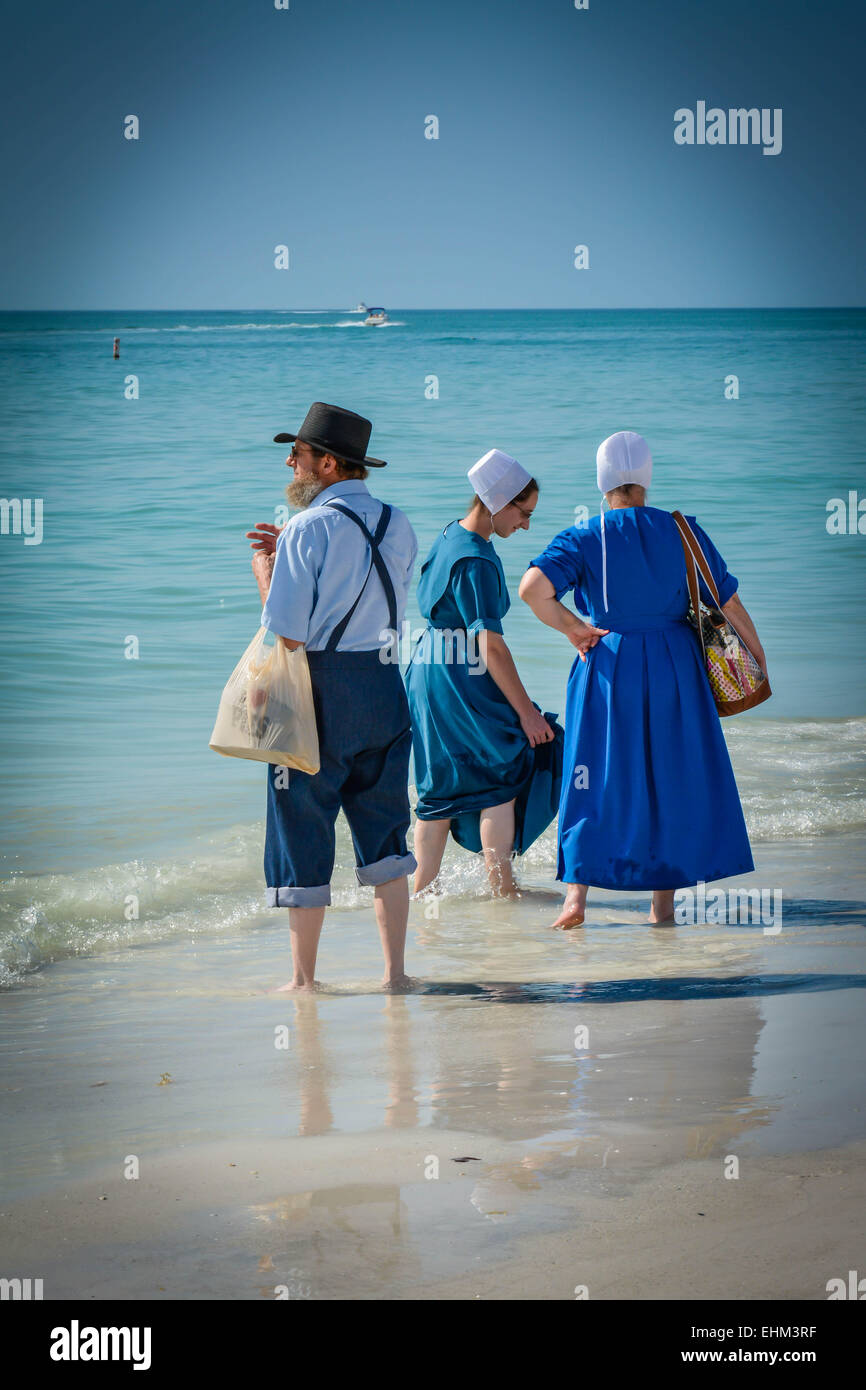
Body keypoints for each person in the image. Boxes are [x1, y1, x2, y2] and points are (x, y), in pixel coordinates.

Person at [519, 430, 766, 928]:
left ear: (602, 483)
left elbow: (532, 590)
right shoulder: (684, 531)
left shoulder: (584, 535)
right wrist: (756, 662)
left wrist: (575, 630)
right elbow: (729, 604)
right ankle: (662, 908)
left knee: (591, 775)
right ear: (646, 481)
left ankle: (576, 900)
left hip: (608, 665)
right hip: (677, 668)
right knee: (668, 778)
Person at [247, 402, 418, 990]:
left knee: (301, 822)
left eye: (296, 455)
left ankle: (304, 981)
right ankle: (396, 975)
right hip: (385, 684)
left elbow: (289, 631)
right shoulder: (399, 522)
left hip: (318, 689)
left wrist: (266, 575)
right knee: (387, 830)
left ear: (325, 463)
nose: (290, 464)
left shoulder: (306, 527)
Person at [405, 449, 563, 898]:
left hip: (428, 672)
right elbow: (489, 645)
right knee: (501, 773)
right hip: (462, 677)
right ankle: (502, 891)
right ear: (499, 502)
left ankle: (421, 893)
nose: (527, 524)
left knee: (439, 787)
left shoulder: (449, 535)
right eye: (524, 513)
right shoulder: (475, 558)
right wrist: (527, 713)